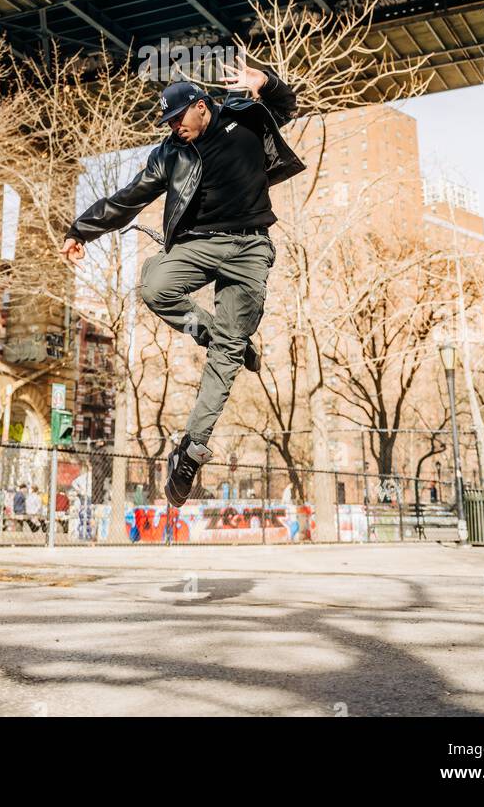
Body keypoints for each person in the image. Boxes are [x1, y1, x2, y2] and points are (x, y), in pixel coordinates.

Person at [60, 53, 303, 508]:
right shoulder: (170, 154)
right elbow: (127, 198)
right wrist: (82, 230)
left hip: (251, 248)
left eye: (178, 119)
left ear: (201, 106)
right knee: (154, 285)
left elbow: (288, 105)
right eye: (168, 123)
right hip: (201, 245)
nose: (174, 128)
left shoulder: (244, 113)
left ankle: (191, 449)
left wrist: (265, 81)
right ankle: (218, 336)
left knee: (227, 354)